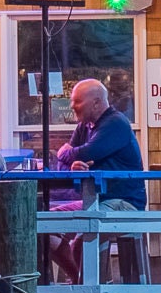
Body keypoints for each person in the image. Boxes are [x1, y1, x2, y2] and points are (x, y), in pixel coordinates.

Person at [54, 77, 146, 210]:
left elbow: (85, 153)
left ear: (96, 103)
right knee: (47, 219)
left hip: (123, 203)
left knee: (84, 221)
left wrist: (63, 152)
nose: (72, 106)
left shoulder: (115, 123)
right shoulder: (84, 125)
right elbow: (63, 164)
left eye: (77, 101)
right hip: (94, 201)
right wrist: (72, 168)